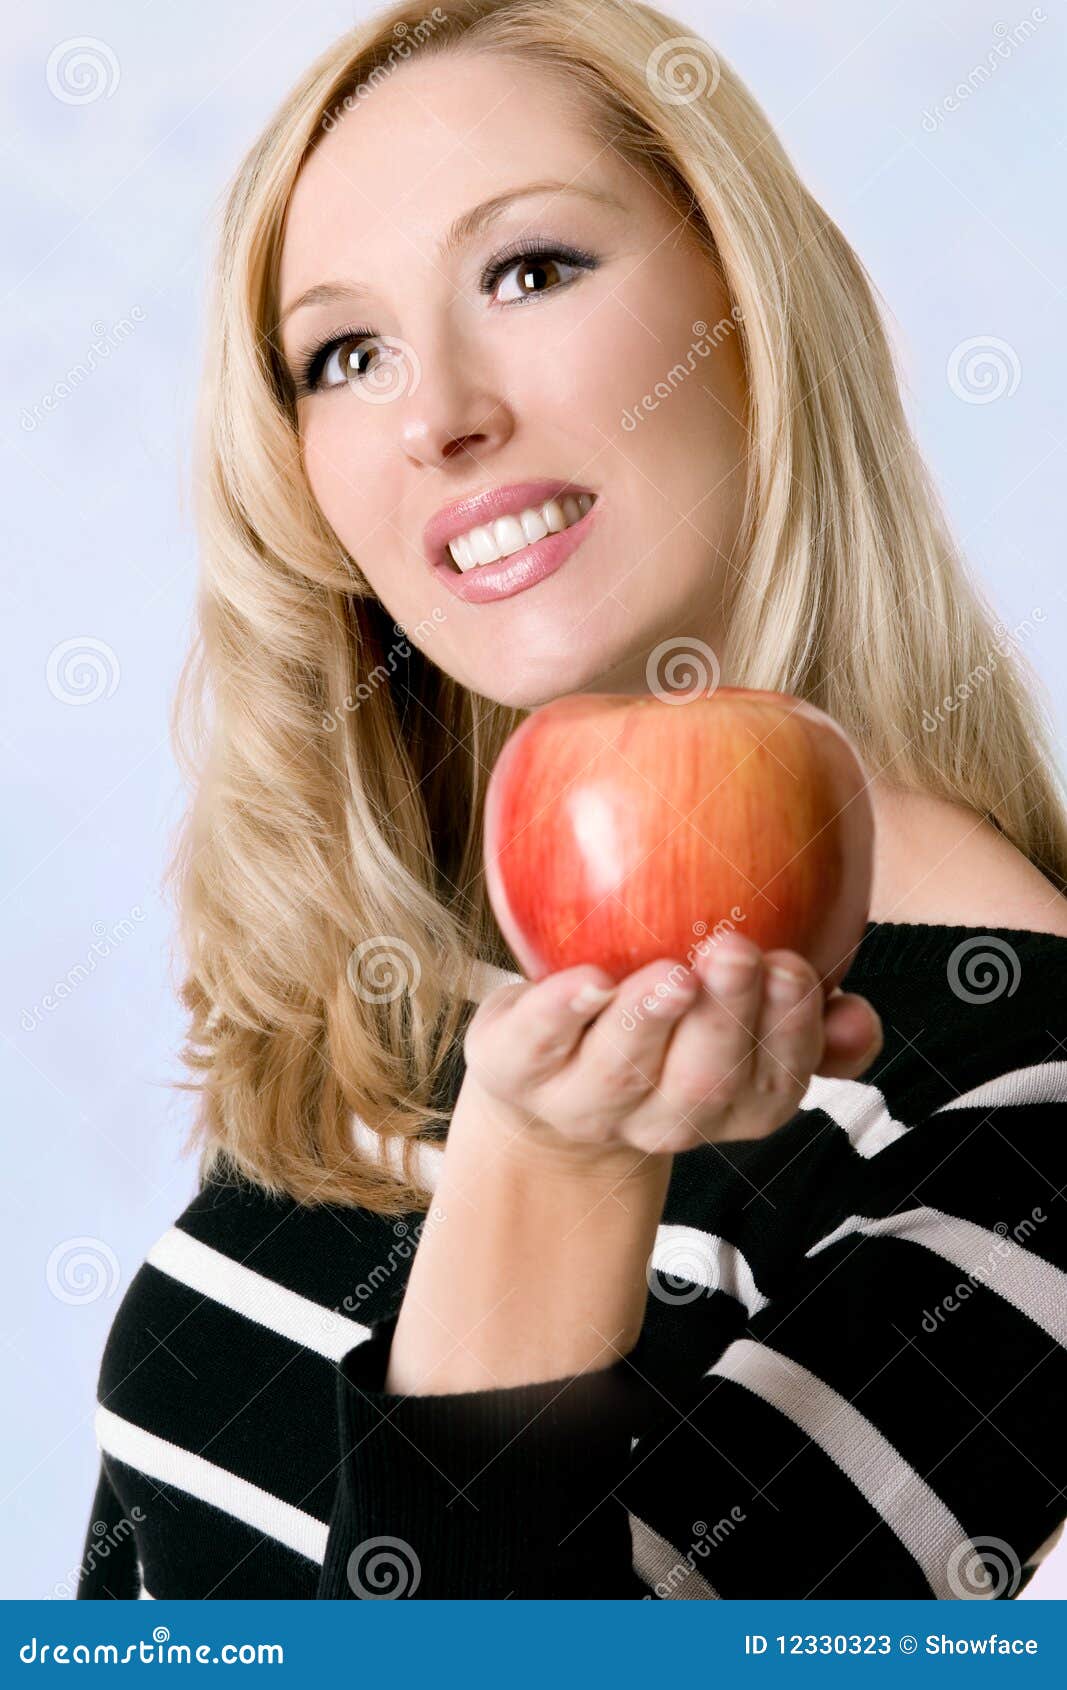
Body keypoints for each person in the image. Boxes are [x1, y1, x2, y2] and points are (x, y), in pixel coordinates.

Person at [77, 0, 1067, 1600]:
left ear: (747, 302)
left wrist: (554, 1183)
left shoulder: (1023, 1129)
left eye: (528, 271)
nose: (437, 414)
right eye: (346, 353)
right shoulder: (407, 994)